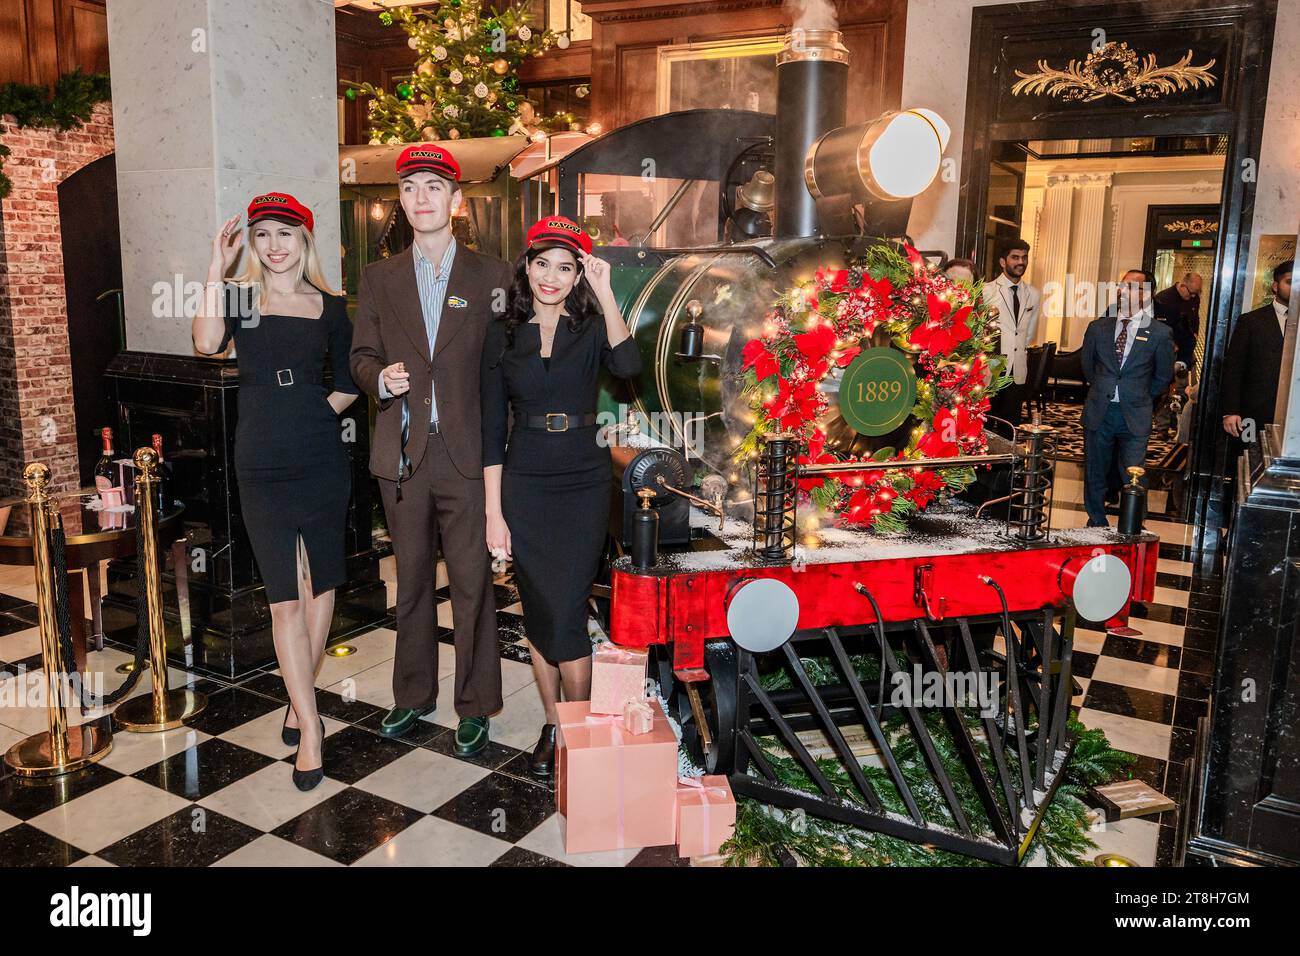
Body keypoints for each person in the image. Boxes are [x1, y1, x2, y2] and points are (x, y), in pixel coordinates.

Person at [349, 145, 511, 756]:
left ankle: (475, 705)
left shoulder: (493, 277)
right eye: (411, 187)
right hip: (404, 456)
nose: (422, 198)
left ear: (456, 201)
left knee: (473, 585)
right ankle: (412, 695)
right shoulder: (380, 277)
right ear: (402, 200)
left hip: (468, 457)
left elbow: (504, 372)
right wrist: (378, 379)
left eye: (434, 188)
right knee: (412, 582)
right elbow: (360, 356)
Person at [194, 193, 359, 791]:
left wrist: (312, 414)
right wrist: (216, 265)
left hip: (319, 458)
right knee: (284, 598)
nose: (274, 244)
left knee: (321, 587)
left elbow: (347, 383)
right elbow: (205, 342)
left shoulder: (331, 307)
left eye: (285, 232)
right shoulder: (239, 298)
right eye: (262, 234)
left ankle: (299, 699)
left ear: (304, 240)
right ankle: (311, 726)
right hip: (260, 460)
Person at [481, 216, 641, 779]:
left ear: (579, 275)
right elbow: (486, 430)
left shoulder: (592, 328)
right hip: (523, 481)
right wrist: (493, 512)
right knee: (537, 610)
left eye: (566, 267)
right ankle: (554, 722)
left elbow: (628, 367)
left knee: (567, 615)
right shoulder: (501, 332)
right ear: (526, 267)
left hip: (583, 480)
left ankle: (577, 732)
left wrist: (606, 292)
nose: (552, 276)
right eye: (542, 263)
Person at [1079, 269, 1174, 527]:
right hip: (1100, 410)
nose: (1128, 291)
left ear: (1148, 294)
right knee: (1095, 469)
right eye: (1124, 286)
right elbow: (1088, 368)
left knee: (1133, 470)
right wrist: (1104, 388)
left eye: (1136, 287)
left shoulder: (1159, 333)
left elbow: (1162, 377)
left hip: (1135, 412)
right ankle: (1096, 519)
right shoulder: (1098, 327)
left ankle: (1133, 521)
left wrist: (1140, 396)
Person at [1221, 259, 1293, 449]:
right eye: (1290, 282)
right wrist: (1230, 411)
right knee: (1248, 464)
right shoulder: (1251, 321)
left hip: (1293, 417)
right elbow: (1234, 368)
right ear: (1275, 286)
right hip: (1253, 412)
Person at [982, 239, 1041, 426]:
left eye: (1024, 257)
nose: (1020, 262)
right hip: (991, 370)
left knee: (1011, 426)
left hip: (1018, 372)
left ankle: (1009, 456)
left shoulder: (1034, 293)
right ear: (1002, 262)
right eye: (1015, 257)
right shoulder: (987, 291)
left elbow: (1029, 334)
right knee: (987, 424)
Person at [1152, 272, 1202, 433]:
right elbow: (1156, 327)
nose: (1193, 296)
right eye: (1191, 292)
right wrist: (1170, 343)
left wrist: (1195, 332)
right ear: (1181, 285)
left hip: (1186, 350)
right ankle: (1162, 426)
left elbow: (1195, 319)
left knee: (1184, 389)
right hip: (1168, 350)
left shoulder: (1194, 298)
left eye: (1196, 293)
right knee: (1165, 389)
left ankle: (1177, 422)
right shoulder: (1163, 299)